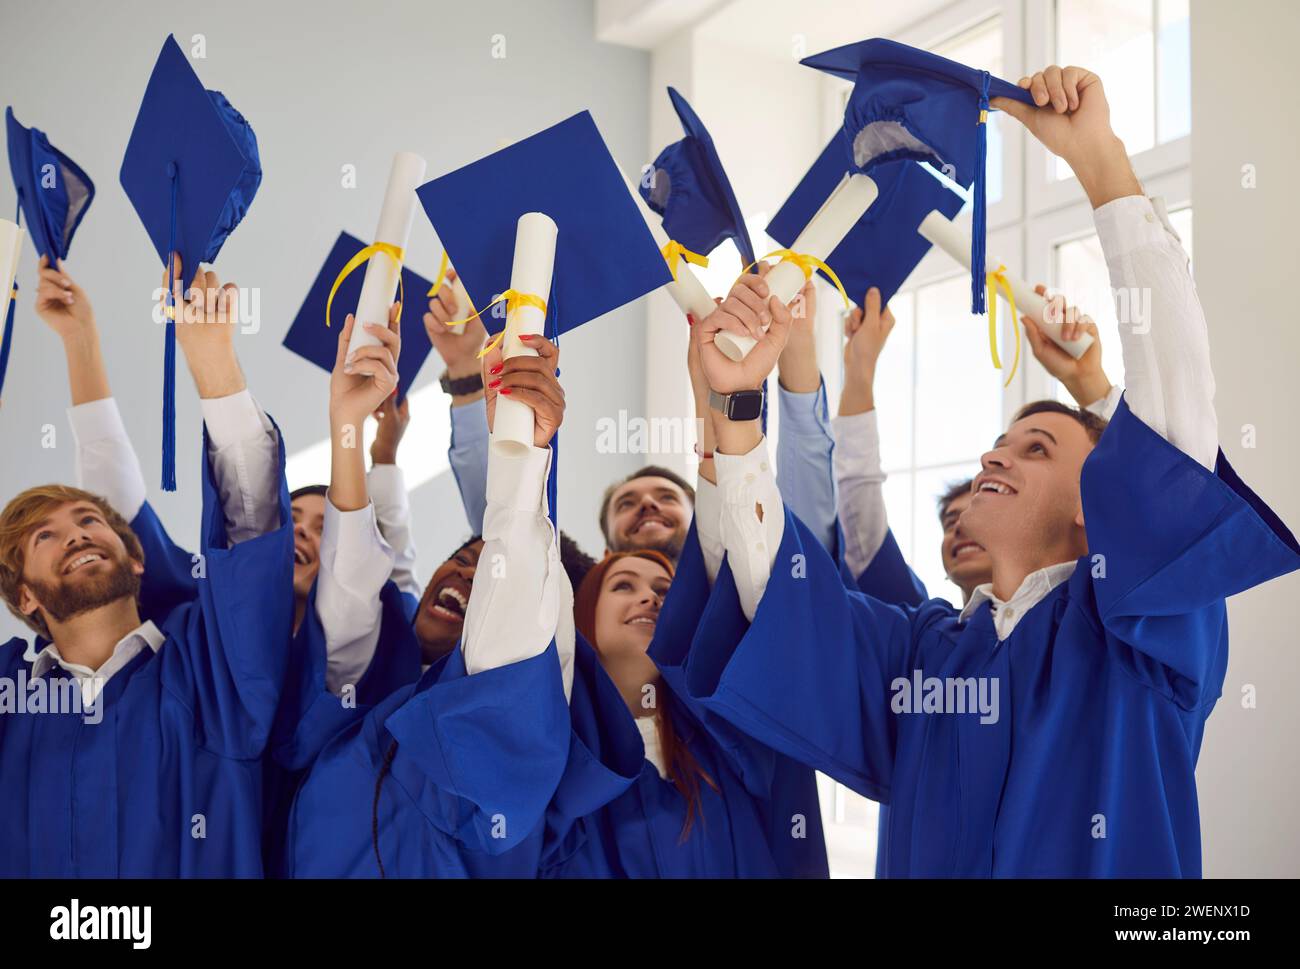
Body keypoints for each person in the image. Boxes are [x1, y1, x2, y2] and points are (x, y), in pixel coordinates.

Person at [666, 65, 1300, 877]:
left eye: (1038, 448)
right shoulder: (925, 653)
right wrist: (735, 411)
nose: (995, 454)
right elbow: (775, 597)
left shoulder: (1134, 631)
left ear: (1098, 509)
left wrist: (1100, 164)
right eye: (1004, 440)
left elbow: (1176, 422)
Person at [0, 261, 294, 876]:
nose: (76, 534)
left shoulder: (208, 673)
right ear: (24, 596)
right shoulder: (11, 697)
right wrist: (79, 339)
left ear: (138, 557)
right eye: (44, 537)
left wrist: (214, 366)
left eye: (88, 520)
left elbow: (250, 540)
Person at [834, 282, 1115, 606]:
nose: (992, 459)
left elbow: (1143, 503)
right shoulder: (929, 638)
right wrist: (858, 368)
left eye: (1037, 448)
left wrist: (1089, 383)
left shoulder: (1104, 627)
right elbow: (861, 519)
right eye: (951, 521)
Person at [427, 273, 696, 561]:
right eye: (625, 504)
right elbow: (503, 518)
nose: (646, 503)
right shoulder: (567, 596)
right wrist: (466, 367)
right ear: (605, 555)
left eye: (667, 497)